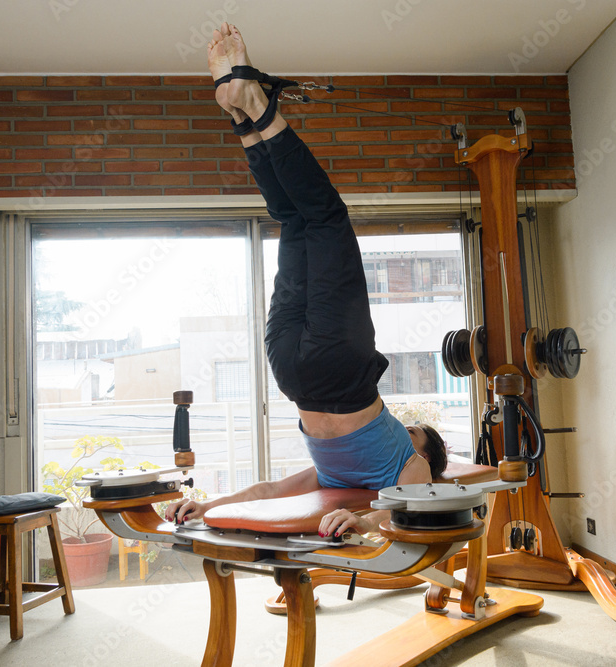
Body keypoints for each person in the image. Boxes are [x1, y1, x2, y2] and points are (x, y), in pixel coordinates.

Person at [166, 23, 447, 538]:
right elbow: (269, 492)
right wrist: (209, 505)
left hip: (335, 368)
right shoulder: (330, 474)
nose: (407, 427)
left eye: (416, 433)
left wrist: (363, 518)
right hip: (293, 370)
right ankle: (242, 117)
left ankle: (255, 104)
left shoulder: (412, 465)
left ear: (423, 450)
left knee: (326, 218)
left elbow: (410, 508)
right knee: (295, 220)